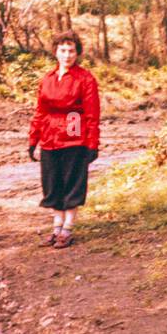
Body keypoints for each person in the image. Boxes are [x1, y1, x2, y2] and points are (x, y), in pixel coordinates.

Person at [28, 30, 100, 248]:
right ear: (55, 52)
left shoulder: (85, 78)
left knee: (71, 181)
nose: (67, 55)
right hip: (50, 136)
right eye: (63, 50)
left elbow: (92, 114)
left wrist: (92, 144)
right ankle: (56, 226)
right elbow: (40, 111)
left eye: (71, 51)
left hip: (74, 133)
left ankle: (67, 228)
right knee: (52, 182)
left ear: (77, 53)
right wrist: (34, 139)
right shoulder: (48, 79)